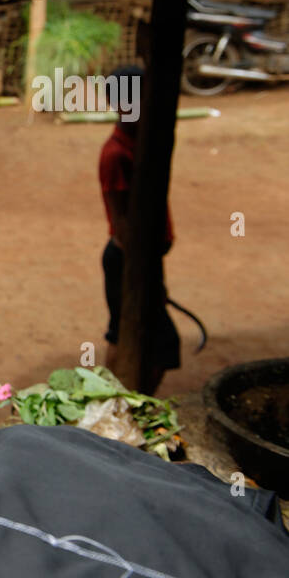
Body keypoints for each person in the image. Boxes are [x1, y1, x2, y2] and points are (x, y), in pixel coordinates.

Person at [98, 65, 179, 394]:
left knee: (133, 334)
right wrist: (145, 275)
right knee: (138, 337)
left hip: (140, 261)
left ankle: (125, 402)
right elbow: (123, 225)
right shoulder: (116, 154)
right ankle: (126, 400)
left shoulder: (140, 145)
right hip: (128, 261)